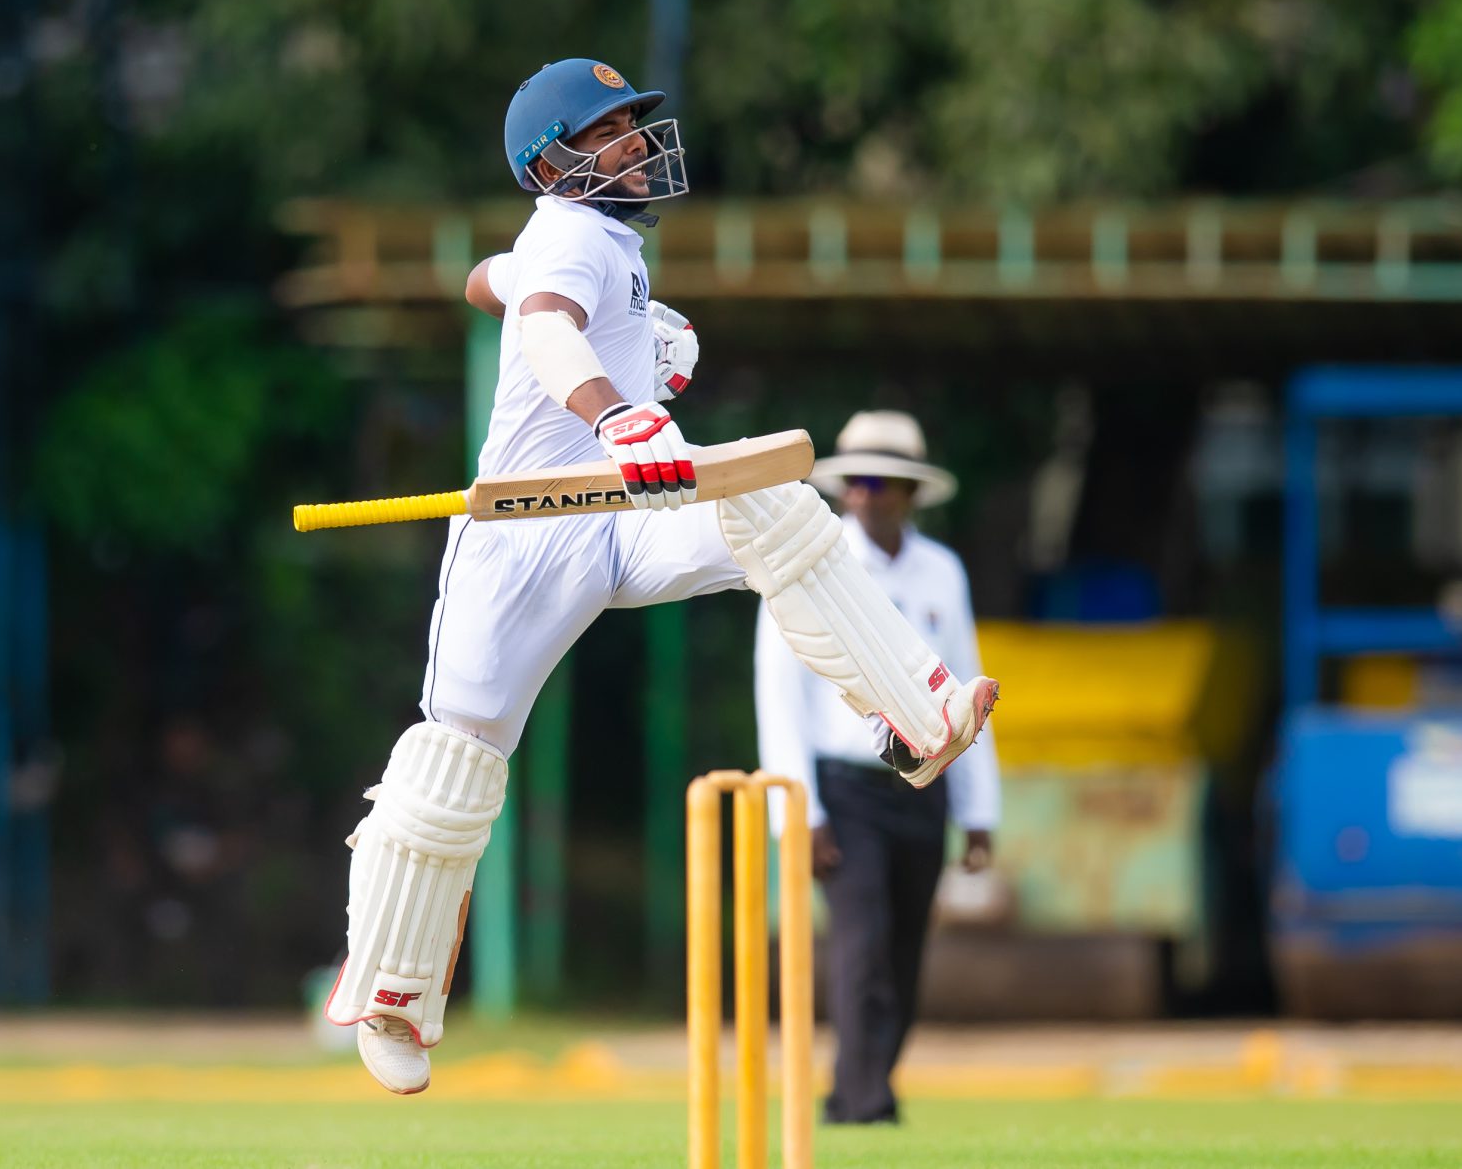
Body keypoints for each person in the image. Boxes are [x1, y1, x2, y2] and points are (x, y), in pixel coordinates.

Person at [324, 58, 999, 1096]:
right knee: (453, 766)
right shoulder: (568, 232)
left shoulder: (593, 243)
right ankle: (394, 995)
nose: (637, 143)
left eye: (638, 125)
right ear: (553, 160)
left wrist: (625, 334)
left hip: (623, 516)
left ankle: (913, 711)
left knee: (777, 508)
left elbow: (493, 286)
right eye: (611, 131)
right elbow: (545, 319)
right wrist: (616, 407)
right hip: (522, 539)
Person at [754, 410, 1000, 1126]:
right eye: (855, 481)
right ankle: (863, 1104)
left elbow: (967, 692)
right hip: (845, 786)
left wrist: (979, 812)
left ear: (910, 493)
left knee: (903, 953)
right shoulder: (811, 560)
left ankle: (863, 1085)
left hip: (924, 786)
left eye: (881, 482)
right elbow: (781, 695)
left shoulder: (941, 573)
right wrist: (799, 813)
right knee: (861, 947)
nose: (864, 494)